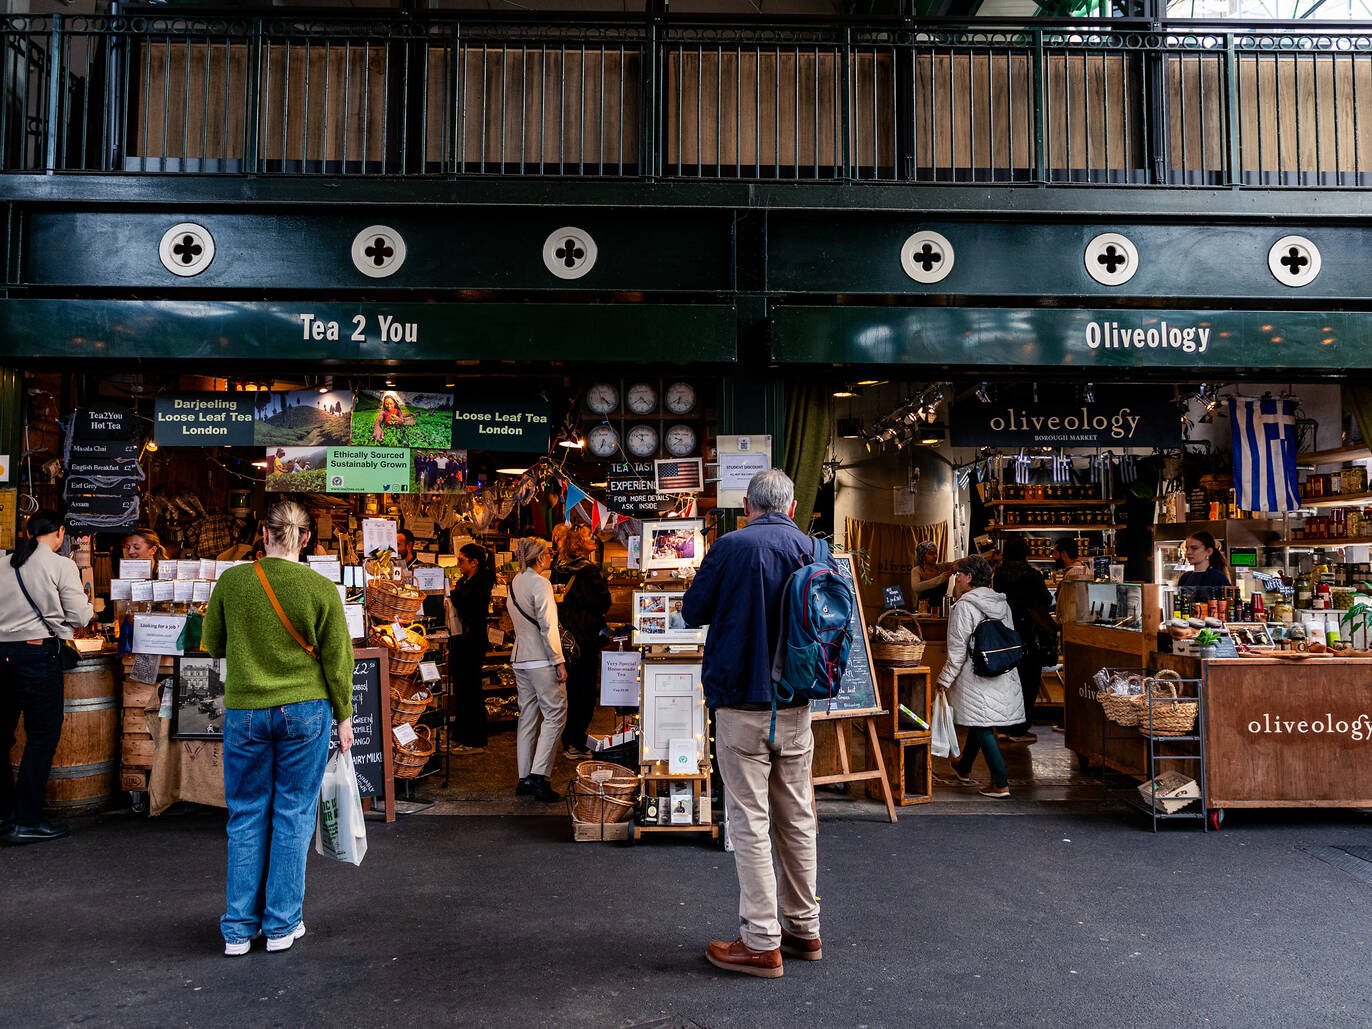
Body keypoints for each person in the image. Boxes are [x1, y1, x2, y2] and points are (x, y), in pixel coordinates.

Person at [683, 468, 822, 979]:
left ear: (748, 506)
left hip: (742, 701)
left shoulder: (730, 547)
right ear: (791, 507)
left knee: (749, 820)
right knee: (798, 817)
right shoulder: (814, 549)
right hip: (797, 704)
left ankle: (762, 941)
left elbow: (692, 611)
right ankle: (804, 928)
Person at [201, 501, 355, 957]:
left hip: (246, 709)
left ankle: (237, 930)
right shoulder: (321, 588)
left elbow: (213, 645)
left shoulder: (232, 582)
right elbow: (338, 662)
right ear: (306, 538)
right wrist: (344, 715)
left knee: (246, 813)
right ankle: (281, 924)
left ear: (264, 534)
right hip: (306, 711)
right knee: (293, 813)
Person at [0, 510, 95, 845]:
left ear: (27, 533)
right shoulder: (61, 565)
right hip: (38, 656)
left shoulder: (3, 563)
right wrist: (87, 607)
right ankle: (27, 820)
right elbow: (80, 616)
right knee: (41, 738)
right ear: (60, 533)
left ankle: (4, 815)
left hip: (2, 655)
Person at [939, 555, 1024, 800]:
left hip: (975, 674)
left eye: (958, 575)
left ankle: (1000, 782)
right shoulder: (1002, 604)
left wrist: (944, 680)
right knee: (980, 720)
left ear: (969, 577)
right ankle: (964, 766)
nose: (956, 580)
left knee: (982, 725)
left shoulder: (964, 606)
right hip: (1001, 671)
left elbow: (957, 653)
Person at [506, 536, 567, 803]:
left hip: (520, 657)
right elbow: (548, 625)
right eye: (549, 553)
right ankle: (538, 776)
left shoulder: (515, 582)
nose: (551, 556)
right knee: (555, 714)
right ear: (540, 557)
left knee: (527, 717)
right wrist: (558, 661)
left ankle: (523, 778)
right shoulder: (541, 583)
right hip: (542, 659)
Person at [553, 524, 611, 762]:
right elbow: (604, 602)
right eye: (589, 536)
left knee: (569, 689)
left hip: (565, 635)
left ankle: (568, 739)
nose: (594, 538)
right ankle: (576, 741)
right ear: (578, 543)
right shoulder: (589, 570)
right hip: (585, 636)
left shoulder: (558, 567)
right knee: (584, 691)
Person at [992, 538, 1056, 745]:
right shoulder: (1032, 575)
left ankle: (1003, 728)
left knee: (1005, 682)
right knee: (1028, 682)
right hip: (1028, 635)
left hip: (1004, 633)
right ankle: (1019, 729)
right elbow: (1046, 600)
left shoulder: (999, 574)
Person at [447, 543, 495, 756]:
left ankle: (474, 740)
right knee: (462, 688)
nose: (458, 564)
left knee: (471, 689)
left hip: (472, 640)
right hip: (462, 639)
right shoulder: (466, 581)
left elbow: (467, 606)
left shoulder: (482, 582)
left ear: (474, 562)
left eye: (461, 560)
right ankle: (461, 734)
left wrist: (454, 595)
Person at [1179, 531, 1231, 603]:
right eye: (1187, 548)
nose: (1188, 552)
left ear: (1209, 551)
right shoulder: (1185, 577)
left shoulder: (1217, 577)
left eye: (1194, 548)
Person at [909, 540, 952, 610]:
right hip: (923, 609)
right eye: (931, 553)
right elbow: (916, 587)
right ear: (923, 556)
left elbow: (961, 562)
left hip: (941, 609)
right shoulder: (917, 570)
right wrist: (941, 578)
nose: (935, 556)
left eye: (936, 553)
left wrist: (955, 566)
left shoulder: (942, 567)